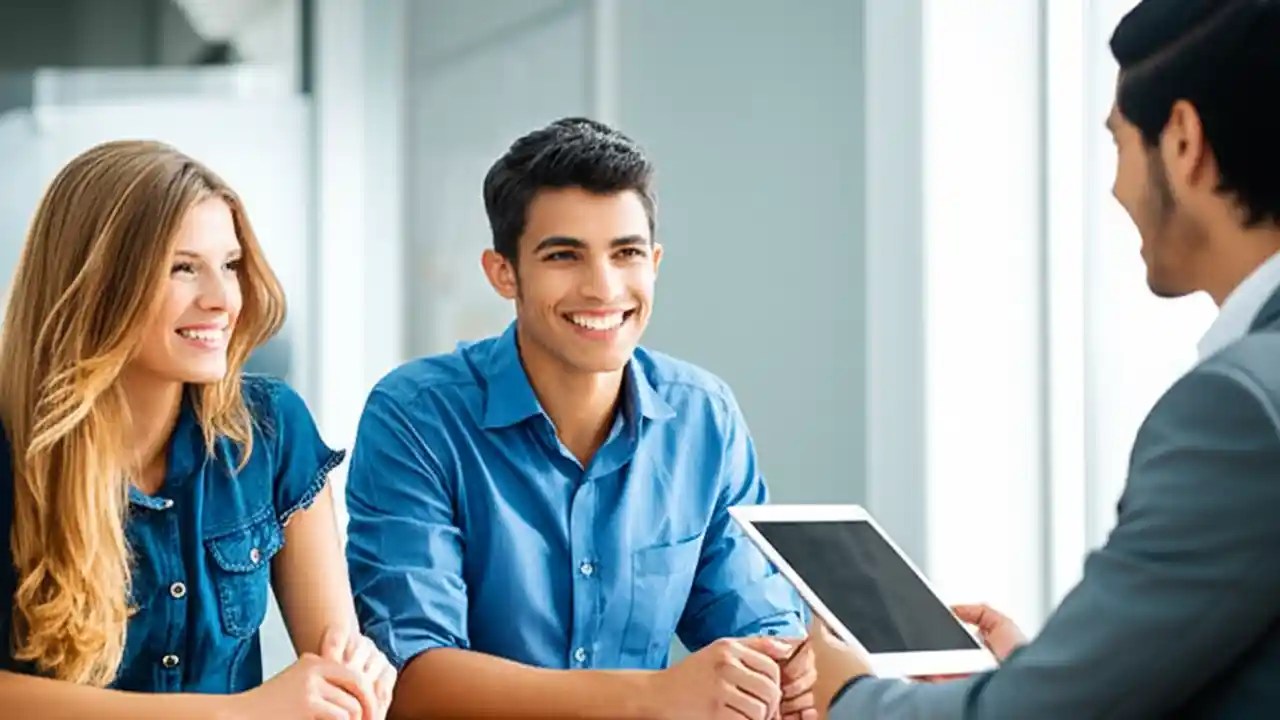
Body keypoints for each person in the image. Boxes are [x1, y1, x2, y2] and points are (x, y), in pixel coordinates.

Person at [812, 0, 1280, 717]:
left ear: (1182, 141)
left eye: (1118, 144)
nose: (1118, 187)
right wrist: (1052, 671)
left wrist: (849, 692)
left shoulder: (1238, 407)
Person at [345, 118, 817, 720]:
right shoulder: (416, 417)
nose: (603, 287)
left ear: (655, 262)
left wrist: (790, 667)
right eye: (565, 255)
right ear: (503, 273)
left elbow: (759, 624)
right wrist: (654, 697)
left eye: (627, 254)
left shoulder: (704, 418)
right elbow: (410, 678)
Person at [0, 140, 396, 719]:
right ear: (97, 284)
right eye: (183, 268)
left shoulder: (273, 429)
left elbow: (335, 655)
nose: (222, 300)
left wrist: (358, 678)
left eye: (230, 265)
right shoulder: (14, 449)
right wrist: (235, 714)